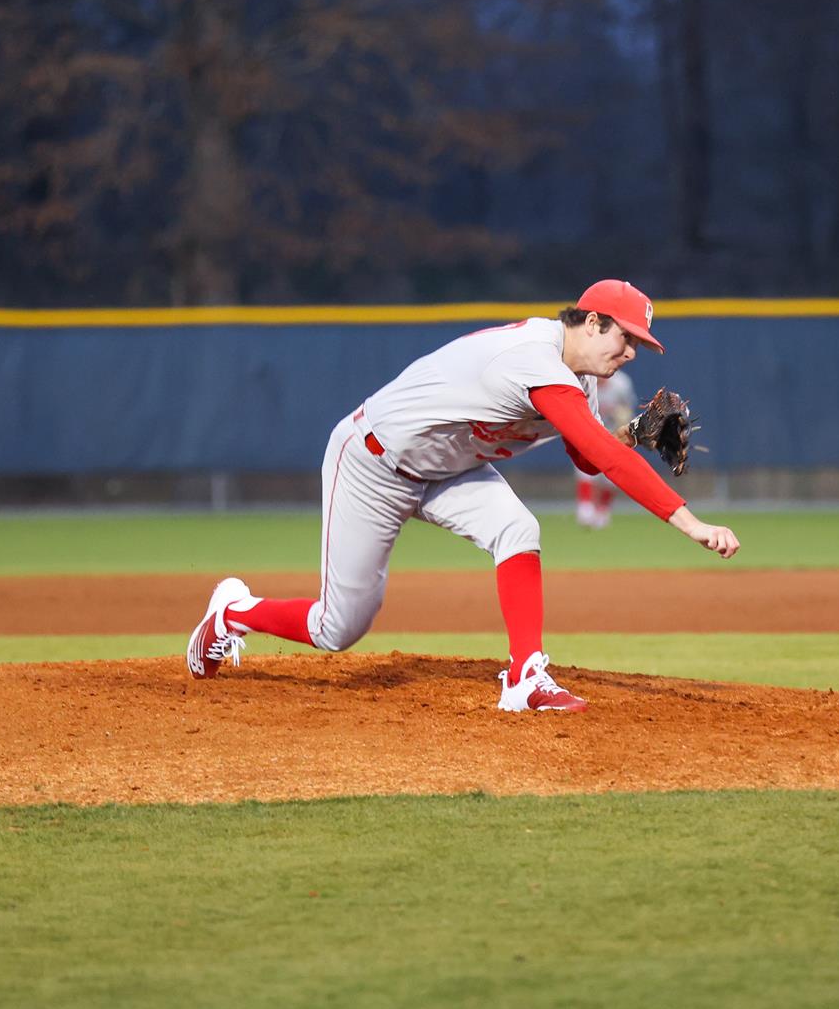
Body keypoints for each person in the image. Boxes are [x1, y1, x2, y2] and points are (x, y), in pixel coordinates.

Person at [186, 279, 742, 712]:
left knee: (518, 530)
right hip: (373, 464)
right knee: (338, 629)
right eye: (627, 338)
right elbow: (608, 460)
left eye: (639, 344)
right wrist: (691, 523)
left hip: (447, 472)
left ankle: (525, 677)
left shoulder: (580, 381)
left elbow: (589, 454)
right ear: (592, 322)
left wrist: (627, 434)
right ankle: (232, 613)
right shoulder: (535, 357)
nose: (632, 354)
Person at [575, 368, 638, 528]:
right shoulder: (584, 380)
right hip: (589, 431)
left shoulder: (621, 383)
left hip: (614, 433)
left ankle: (603, 510)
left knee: (612, 476)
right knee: (584, 469)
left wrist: (621, 415)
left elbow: (628, 409)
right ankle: (585, 507)